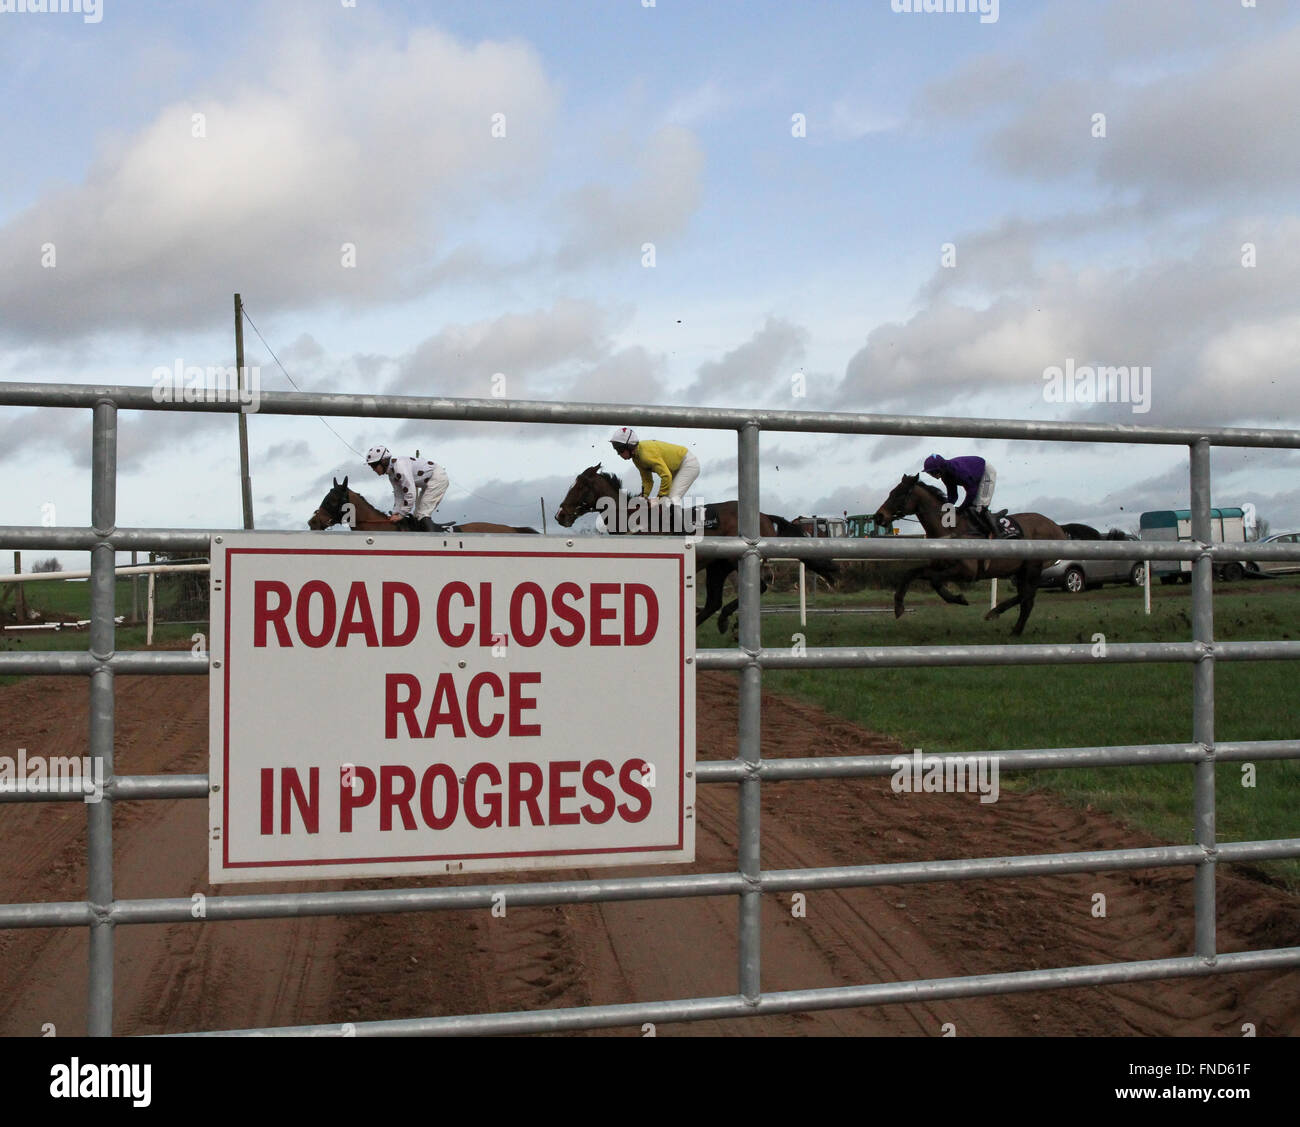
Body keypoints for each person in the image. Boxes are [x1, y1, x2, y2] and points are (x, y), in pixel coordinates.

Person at [365, 445, 451, 532]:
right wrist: (395, 513)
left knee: (422, 514)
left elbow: (410, 493)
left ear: (383, 462)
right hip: (429, 481)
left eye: (374, 466)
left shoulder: (399, 468)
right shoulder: (392, 475)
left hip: (438, 478)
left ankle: (433, 540)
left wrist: (401, 515)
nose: (373, 470)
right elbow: (399, 495)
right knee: (417, 516)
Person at [609, 427, 700, 503]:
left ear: (629, 446)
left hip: (688, 464)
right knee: (664, 502)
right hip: (676, 468)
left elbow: (666, 476)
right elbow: (647, 481)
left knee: (669, 502)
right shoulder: (636, 458)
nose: (619, 454)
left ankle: (681, 525)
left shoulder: (645, 456)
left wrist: (659, 498)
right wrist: (644, 496)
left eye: (620, 450)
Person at [923, 453, 998, 538]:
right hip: (974, 476)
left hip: (985, 472)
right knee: (972, 508)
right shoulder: (945, 476)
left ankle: (997, 533)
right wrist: (947, 507)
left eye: (932, 472)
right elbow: (953, 495)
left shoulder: (958, 471)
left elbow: (972, 491)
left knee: (980, 507)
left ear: (940, 469)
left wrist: (961, 508)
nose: (931, 475)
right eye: (929, 473)